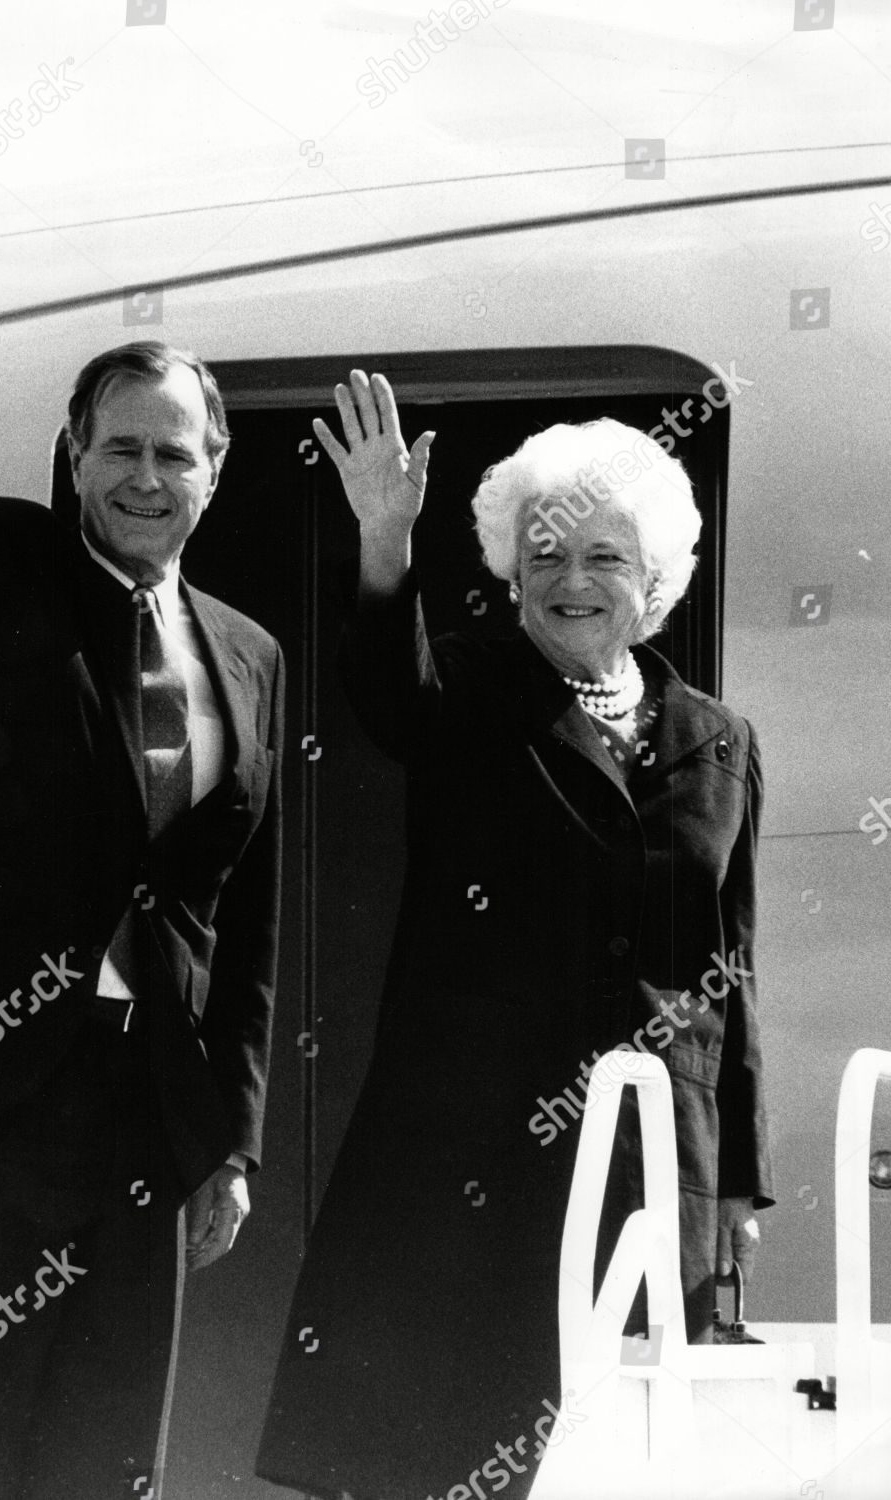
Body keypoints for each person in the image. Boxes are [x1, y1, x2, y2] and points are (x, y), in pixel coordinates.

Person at [257, 371, 772, 1500]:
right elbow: (389, 696)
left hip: (651, 1167)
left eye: (602, 556)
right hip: (473, 1165)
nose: (571, 580)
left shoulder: (718, 740)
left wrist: (735, 1180)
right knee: (456, 1459)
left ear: (656, 577)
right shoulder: (470, 693)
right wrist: (384, 540)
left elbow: (727, 972)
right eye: (543, 556)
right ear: (509, 573)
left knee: (626, 1467)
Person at [0, 180, 284, 1499]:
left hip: (144, 1111)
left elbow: (242, 915)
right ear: (74, 461)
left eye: (176, 453)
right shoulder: (2, 579)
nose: (149, 478)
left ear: (214, 472)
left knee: (101, 1451)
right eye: (122, 450)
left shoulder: (251, 654)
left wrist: (235, 1139)